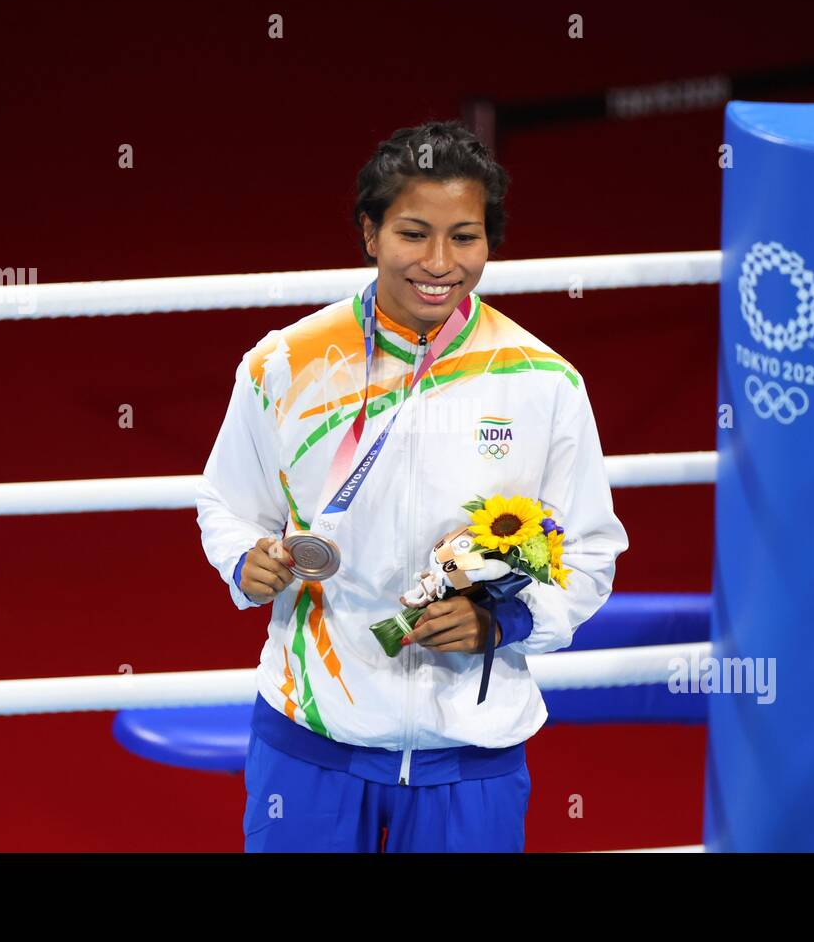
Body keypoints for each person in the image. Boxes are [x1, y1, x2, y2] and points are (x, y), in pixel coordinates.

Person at [194, 120, 629, 852]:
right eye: (413, 233)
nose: (438, 262)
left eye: (465, 236)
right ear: (370, 232)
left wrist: (503, 626)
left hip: (473, 749)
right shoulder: (284, 364)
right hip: (313, 732)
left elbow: (589, 552)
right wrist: (246, 559)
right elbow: (228, 504)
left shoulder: (542, 380)